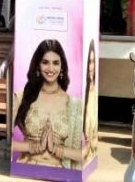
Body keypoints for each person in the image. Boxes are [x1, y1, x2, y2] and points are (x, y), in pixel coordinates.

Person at [13, 39, 83, 168]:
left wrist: (56, 149)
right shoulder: (23, 96)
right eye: (45, 62)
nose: (51, 68)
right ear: (38, 65)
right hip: (26, 169)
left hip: (59, 173)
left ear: (62, 67)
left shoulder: (74, 104)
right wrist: (31, 146)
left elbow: (86, 153)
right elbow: (7, 141)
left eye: (56, 63)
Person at [82, 40, 98, 164]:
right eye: (89, 62)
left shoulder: (93, 91)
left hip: (88, 155)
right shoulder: (83, 92)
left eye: (92, 62)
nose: (90, 67)